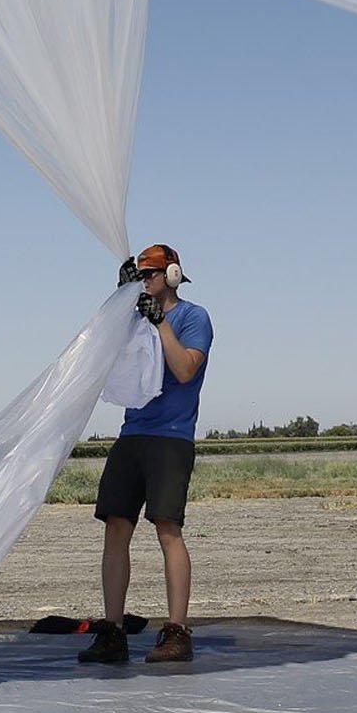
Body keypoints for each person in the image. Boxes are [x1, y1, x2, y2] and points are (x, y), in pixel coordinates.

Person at [81, 244, 210, 666]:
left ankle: (177, 631)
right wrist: (121, 303)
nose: (145, 283)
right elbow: (105, 355)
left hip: (171, 438)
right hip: (132, 433)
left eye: (150, 275)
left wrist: (161, 325)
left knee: (167, 529)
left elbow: (185, 369)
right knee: (116, 526)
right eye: (139, 277)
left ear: (171, 275)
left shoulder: (193, 318)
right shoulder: (135, 319)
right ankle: (113, 631)